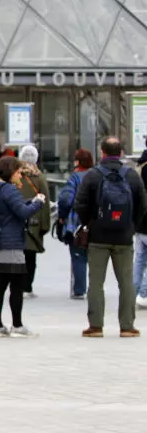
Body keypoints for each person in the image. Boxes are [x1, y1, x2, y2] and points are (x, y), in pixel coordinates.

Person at [75, 137, 147, 337]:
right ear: (121, 153)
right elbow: (142, 204)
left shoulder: (92, 175)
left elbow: (80, 204)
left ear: (102, 153)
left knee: (96, 282)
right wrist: (132, 224)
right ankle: (127, 326)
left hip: (98, 237)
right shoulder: (132, 175)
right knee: (126, 282)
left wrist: (89, 223)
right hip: (124, 237)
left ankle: (96, 326)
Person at [0, 156, 46, 337]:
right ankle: (17, 326)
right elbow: (22, 213)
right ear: (11, 172)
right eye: (18, 171)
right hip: (12, 244)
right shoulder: (10, 190)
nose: (20, 175)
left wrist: (28, 202)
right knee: (17, 286)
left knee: (0, 285)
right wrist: (38, 203)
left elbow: (10, 209)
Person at [57, 148, 93, 300]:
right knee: (95, 256)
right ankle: (95, 288)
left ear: (78, 162)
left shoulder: (74, 178)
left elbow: (66, 200)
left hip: (77, 222)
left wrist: (62, 217)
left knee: (78, 255)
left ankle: (79, 290)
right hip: (96, 222)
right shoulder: (96, 176)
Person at [16, 145, 51, 297]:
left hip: (16, 220)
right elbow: (45, 202)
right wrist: (45, 225)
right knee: (30, 257)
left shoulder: (15, 175)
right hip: (34, 222)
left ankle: (16, 285)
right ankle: (27, 287)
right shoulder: (40, 177)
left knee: (17, 255)